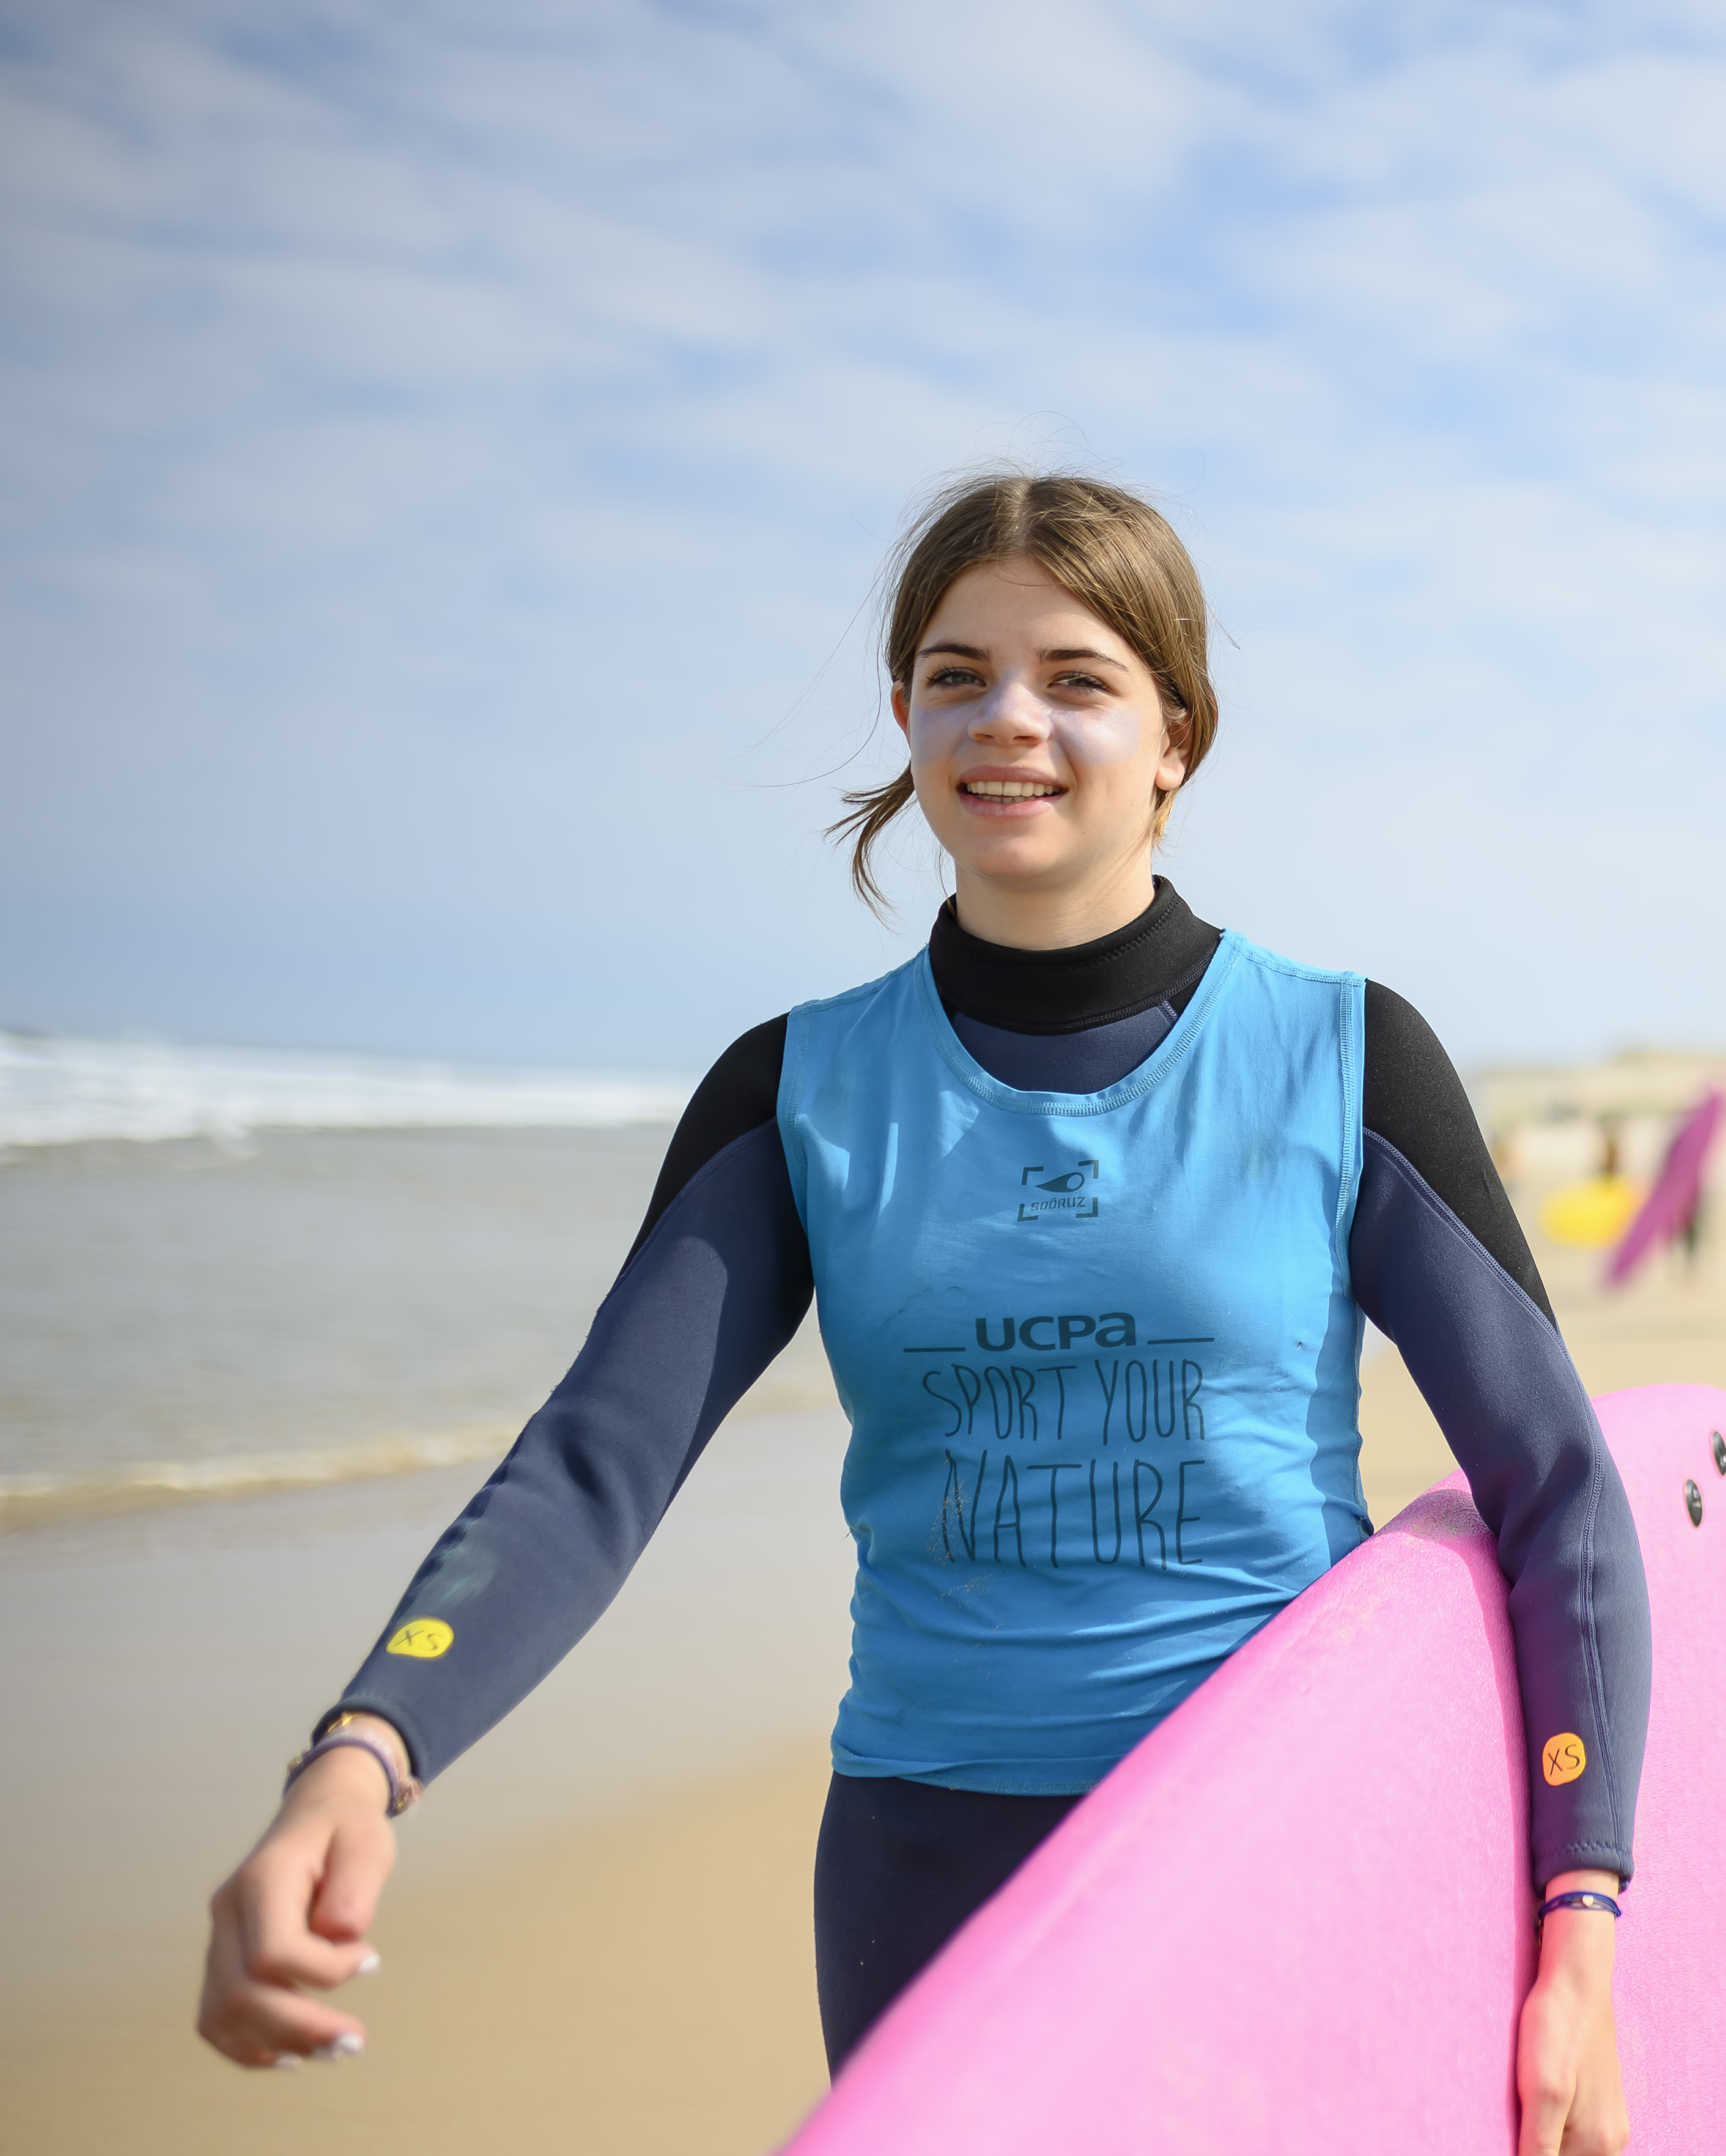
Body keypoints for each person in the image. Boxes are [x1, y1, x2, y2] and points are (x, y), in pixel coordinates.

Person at [196, 473, 1651, 2156]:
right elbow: (595, 1465)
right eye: (959, 676)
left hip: (1270, 1824)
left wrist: (1582, 1912)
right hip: (927, 1859)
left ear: (1176, 739)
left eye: (1077, 678)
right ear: (905, 716)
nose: (1007, 718)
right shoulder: (801, 1090)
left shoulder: (1339, 1055)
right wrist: (363, 1752)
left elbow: (1555, 1487)